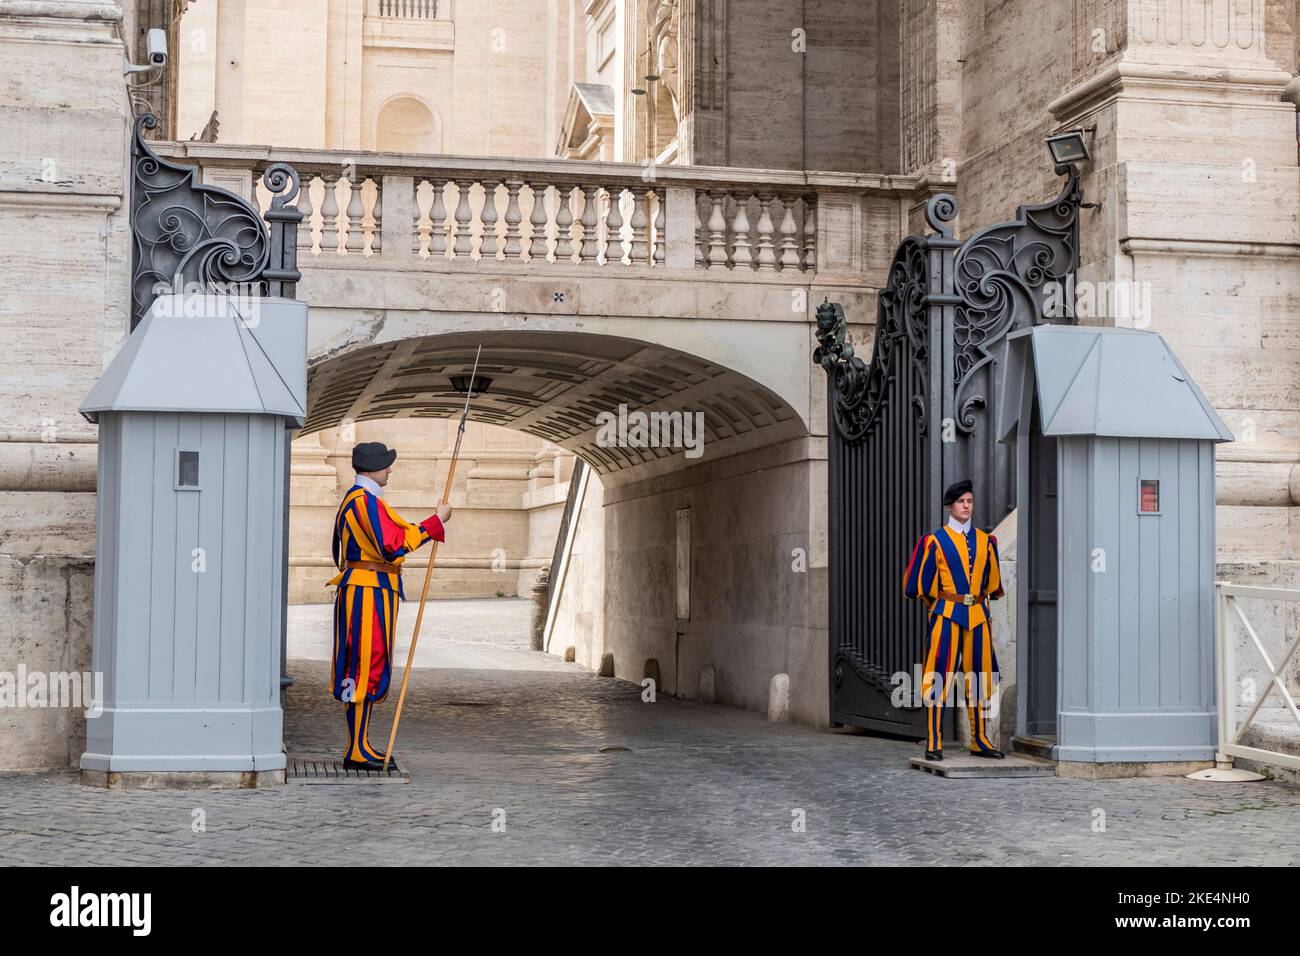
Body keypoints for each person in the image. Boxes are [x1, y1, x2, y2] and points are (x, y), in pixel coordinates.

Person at [327, 441, 452, 771]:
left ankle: (361, 743)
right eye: (386, 465)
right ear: (372, 468)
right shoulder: (362, 502)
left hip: (373, 590)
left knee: (369, 665)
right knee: (362, 667)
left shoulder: (365, 501)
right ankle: (356, 748)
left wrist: (432, 525)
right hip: (367, 593)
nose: (390, 470)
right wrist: (435, 522)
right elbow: (391, 546)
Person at [901, 478, 1005, 762]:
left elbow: (992, 585)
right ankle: (934, 740)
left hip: (978, 615)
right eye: (961, 502)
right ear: (950, 506)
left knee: (981, 675)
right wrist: (939, 605)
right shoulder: (934, 541)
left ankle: (980, 739)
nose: (966, 506)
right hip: (947, 613)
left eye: (970, 501)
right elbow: (915, 585)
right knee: (938, 674)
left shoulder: (987, 541)